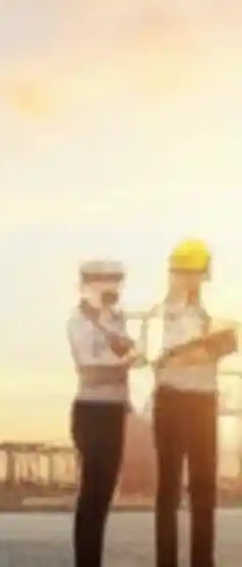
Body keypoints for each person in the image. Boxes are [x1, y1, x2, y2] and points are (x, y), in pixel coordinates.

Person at [153, 238, 222, 567]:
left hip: (204, 402)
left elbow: (223, 344)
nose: (193, 279)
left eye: (197, 273)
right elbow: (168, 359)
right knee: (169, 489)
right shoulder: (163, 315)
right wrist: (197, 353)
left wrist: (192, 354)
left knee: (205, 489)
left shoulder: (211, 311)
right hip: (172, 401)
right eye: (186, 273)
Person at [67, 259, 138, 567]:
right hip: (92, 412)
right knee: (92, 496)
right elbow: (91, 372)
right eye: (107, 283)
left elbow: (120, 361)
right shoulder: (79, 322)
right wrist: (127, 365)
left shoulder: (116, 321)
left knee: (105, 495)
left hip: (113, 412)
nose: (114, 291)